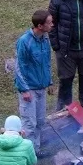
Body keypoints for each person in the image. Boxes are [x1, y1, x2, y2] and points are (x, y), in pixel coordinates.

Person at [15, 10, 54, 153]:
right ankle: (27, 154)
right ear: (40, 25)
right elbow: (19, 67)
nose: (52, 25)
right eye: (49, 23)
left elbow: (47, 63)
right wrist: (24, 89)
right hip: (29, 88)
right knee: (29, 124)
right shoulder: (24, 41)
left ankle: (35, 151)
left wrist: (49, 82)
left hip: (41, 87)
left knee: (40, 121)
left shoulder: (45, 39)